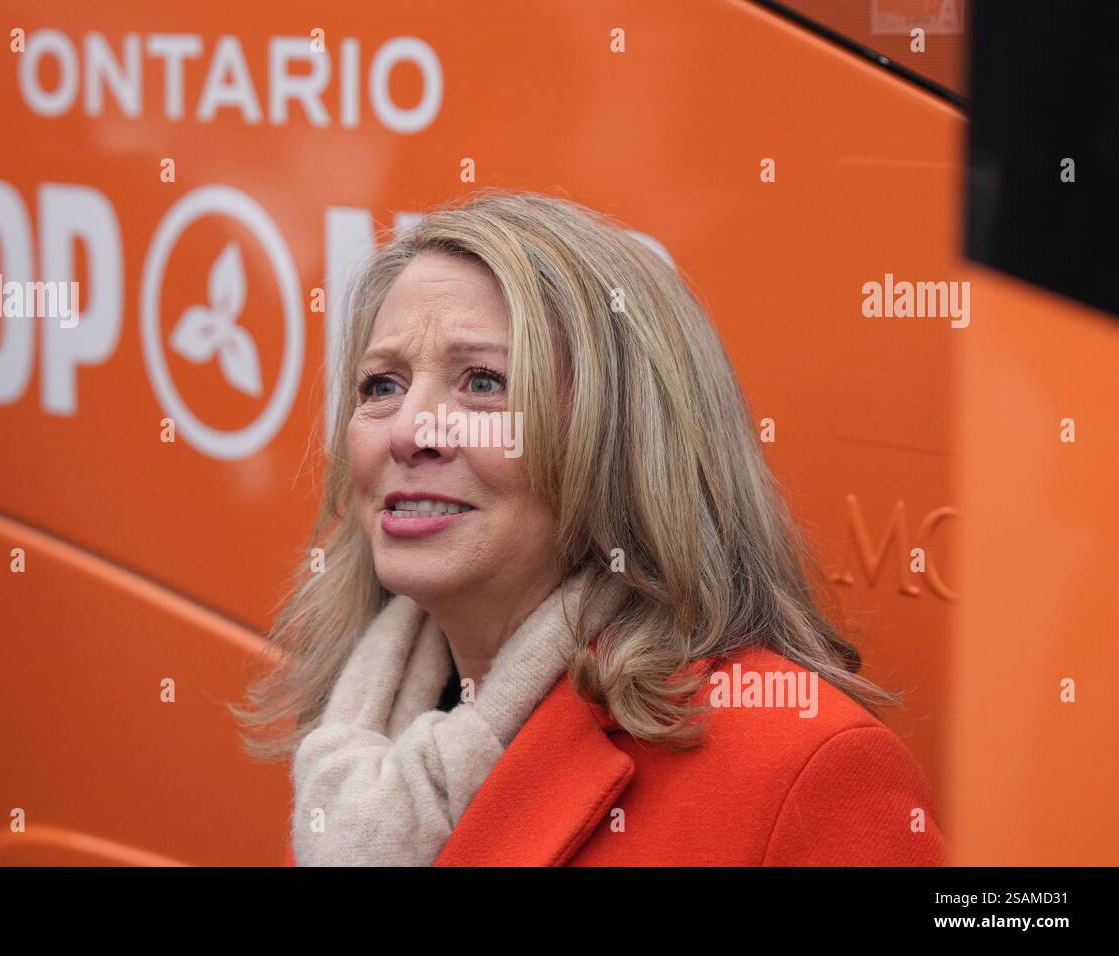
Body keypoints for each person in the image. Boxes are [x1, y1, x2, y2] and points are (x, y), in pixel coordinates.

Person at [232, 189, 945, 866]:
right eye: (381, 385)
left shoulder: (805, 770)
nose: (410, 431)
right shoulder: (356, 745)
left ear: (621, 438)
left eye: (483, 382)